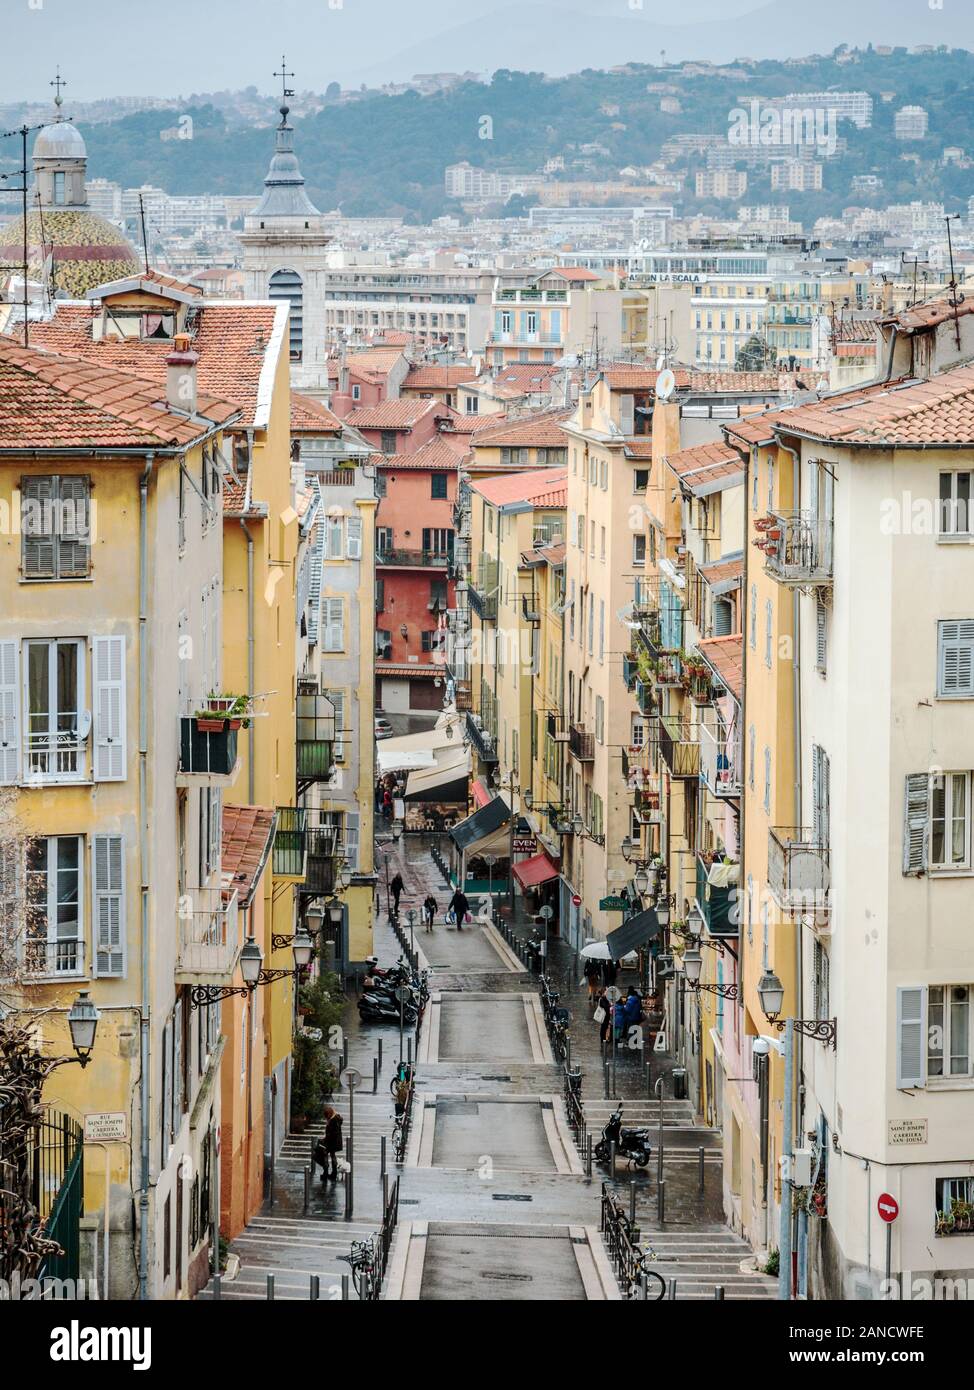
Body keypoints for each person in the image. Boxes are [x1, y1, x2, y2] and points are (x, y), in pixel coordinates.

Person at [317, 1105, 344, 1181]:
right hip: (335, 1141)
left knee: (325, 1154)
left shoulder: (333, 1120)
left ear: (329, 1114)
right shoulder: (336, 1118)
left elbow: (332, 1133)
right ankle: (333, 1173)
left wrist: (325, 1139)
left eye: (326, 1116)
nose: (326, 1118)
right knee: (332, 1155)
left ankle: (326, 1173)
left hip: (332, 1142)